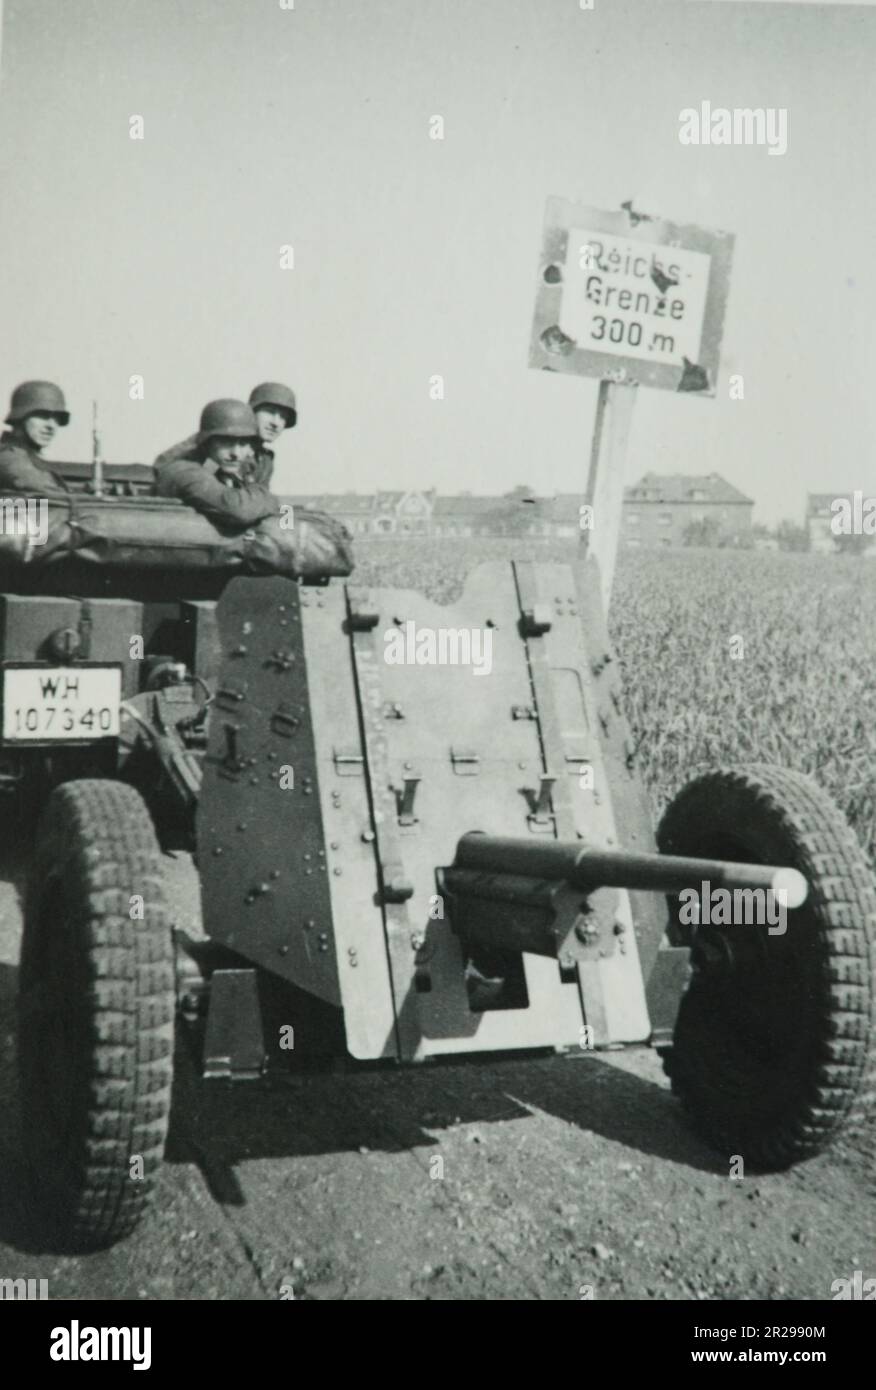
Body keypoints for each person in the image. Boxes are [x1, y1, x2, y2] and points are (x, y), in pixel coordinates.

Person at [154, 399, 281, 529]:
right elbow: (240, 510)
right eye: (226, 442)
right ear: (207, 443)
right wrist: (269, 498)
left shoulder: (215, 470)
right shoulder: (184, 471)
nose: (235, 453)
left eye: (242, 444)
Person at [154, 381, 297, 487]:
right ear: (251, 411)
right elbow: (164, 466)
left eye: (283, 417)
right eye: (270, 412)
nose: (276, 423)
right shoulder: (216, 443)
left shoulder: (264, 461)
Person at [0, 381, 72, 497]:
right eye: (43, 416)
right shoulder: (10, 459)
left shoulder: (25, 457)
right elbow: (57, 497)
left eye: (57, 418)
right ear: (19, 417)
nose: (51, 426)